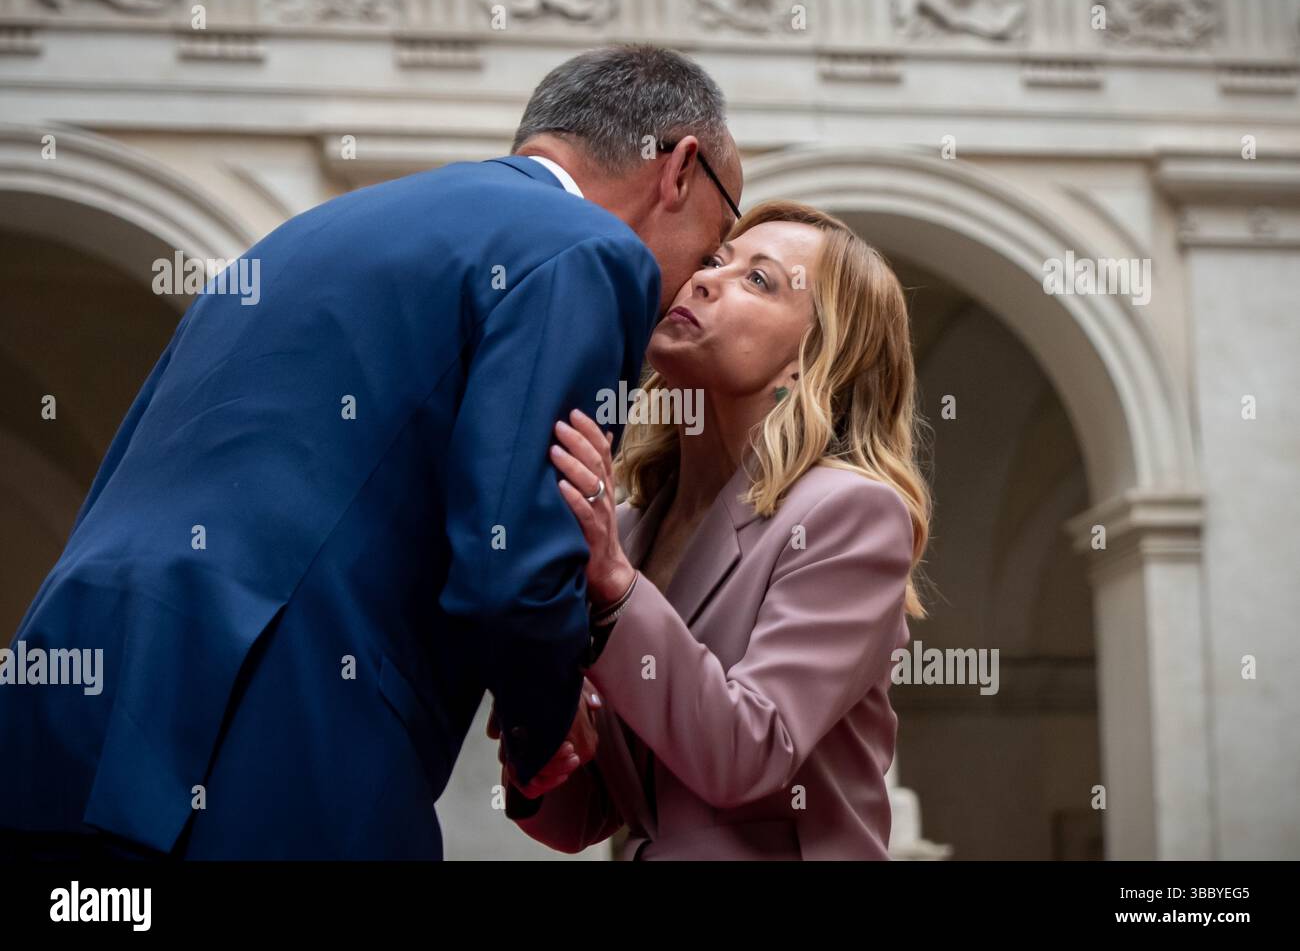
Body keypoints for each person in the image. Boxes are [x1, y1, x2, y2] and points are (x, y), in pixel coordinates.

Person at [0, 44, 742, 859]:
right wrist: (545, 714)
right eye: (720, 237)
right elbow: (509, 561)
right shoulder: (585, 249)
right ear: (678, 167)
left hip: (72, 691)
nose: (702, 274)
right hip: (275, 722)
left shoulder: (302, 236)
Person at [499, 200, 932, 859]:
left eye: (759, 280)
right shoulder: (628, 528)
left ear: (811, 359)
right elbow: (585, 817)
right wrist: (543, 743)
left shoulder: (849, 511)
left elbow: (748, 753)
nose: (704, 280)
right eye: (713, 261)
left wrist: (613, 585)